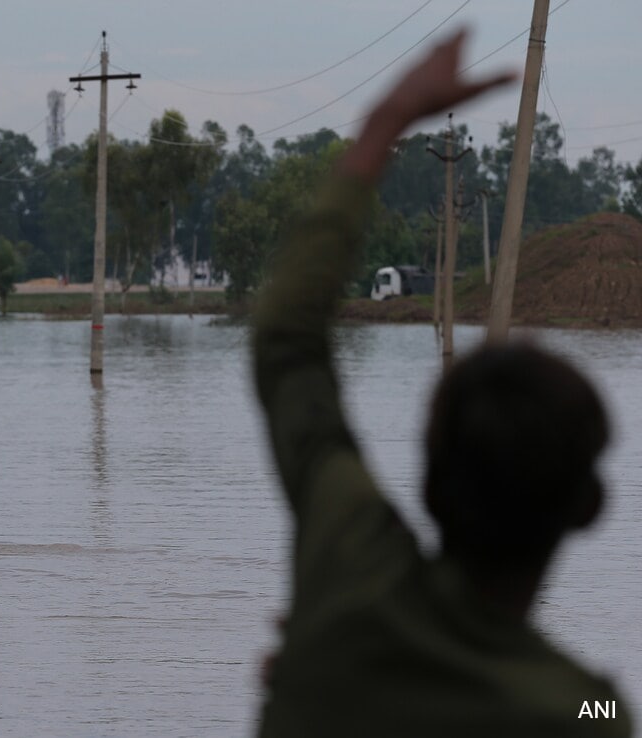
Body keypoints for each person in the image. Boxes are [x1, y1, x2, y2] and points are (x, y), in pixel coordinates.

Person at [250, 30, 629, 737]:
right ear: (588, 507)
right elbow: (605, 709)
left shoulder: (348, 587)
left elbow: (287, 343)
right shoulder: (575, 710)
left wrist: (384, 125)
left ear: (427, 481)